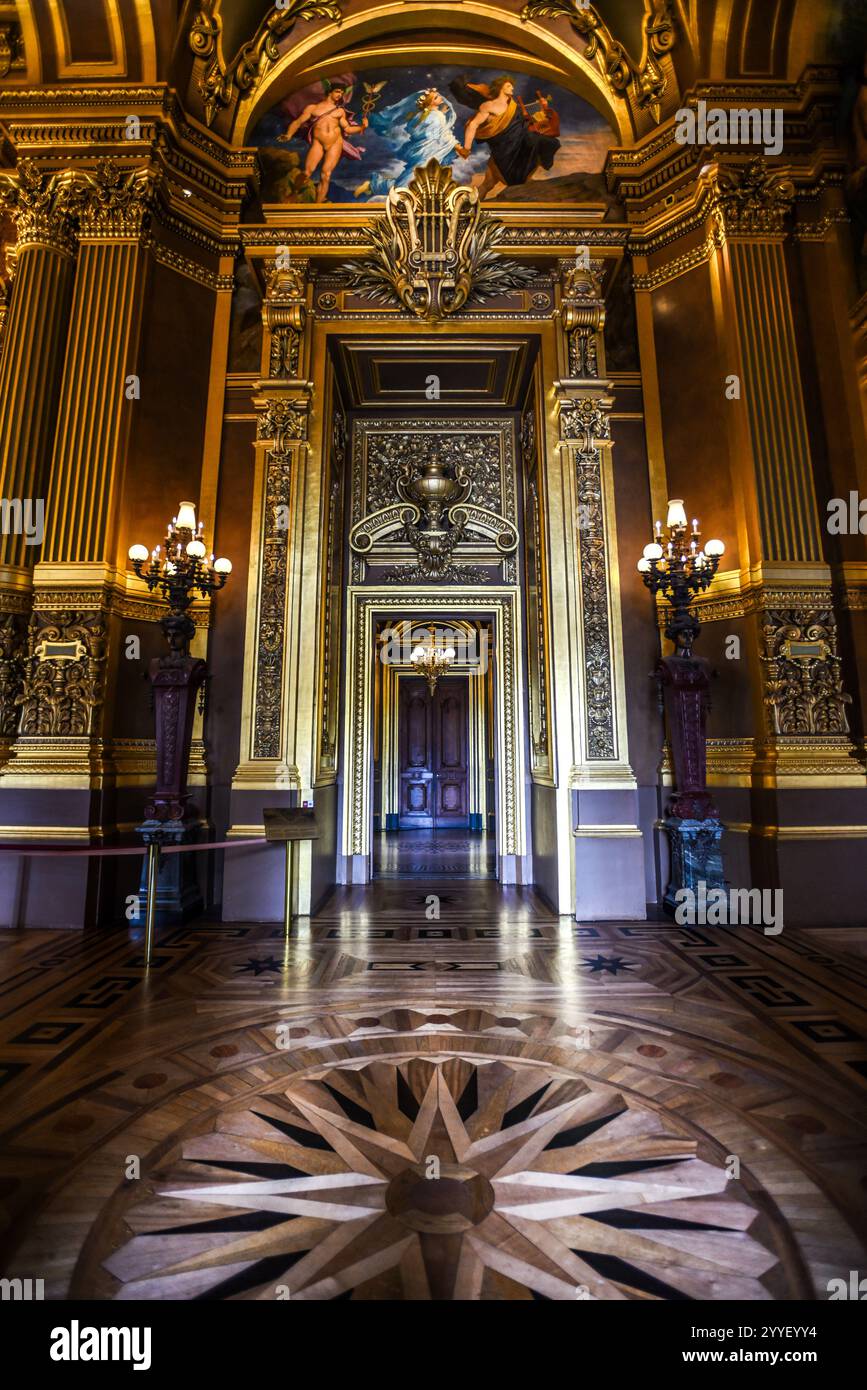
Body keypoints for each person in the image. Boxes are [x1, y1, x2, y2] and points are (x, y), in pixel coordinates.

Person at [450, 75, 560, 198]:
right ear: (500, 88)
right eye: (508, 86)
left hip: (519, 143)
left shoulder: (512, 105)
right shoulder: (488, 106)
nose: (512, 88)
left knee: (545, 142)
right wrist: (467, 148)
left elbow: (524, 118)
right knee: (488, 184)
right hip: (504, 149)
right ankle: (467, 208)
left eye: (512, 85)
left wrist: (542, 106)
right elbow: (473, 125)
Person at [354, 88, 460, 198]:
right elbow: (438, 135)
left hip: (426, 150)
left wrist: (440, 114)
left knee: (419, 181)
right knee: (410, 182)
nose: (440, 97)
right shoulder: (437, 116)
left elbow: (419, 130)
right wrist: (456, 146)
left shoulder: (424, 115)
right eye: (436, 97)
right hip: (429, 151)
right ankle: (374, 186)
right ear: (430, 102)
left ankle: (374, 187)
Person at [278, 85, 368, 203]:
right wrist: (289, 134)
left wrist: (362, 127)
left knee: (326, 175)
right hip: (318, 143)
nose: (340, 94)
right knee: (307, 172)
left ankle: (318, 205)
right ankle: (293, 194)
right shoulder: (313, 108)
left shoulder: (339, 111)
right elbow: (298, 122)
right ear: (329, 92)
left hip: (335, 143)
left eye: (341, 92)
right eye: (337, 91)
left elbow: (347, 129)